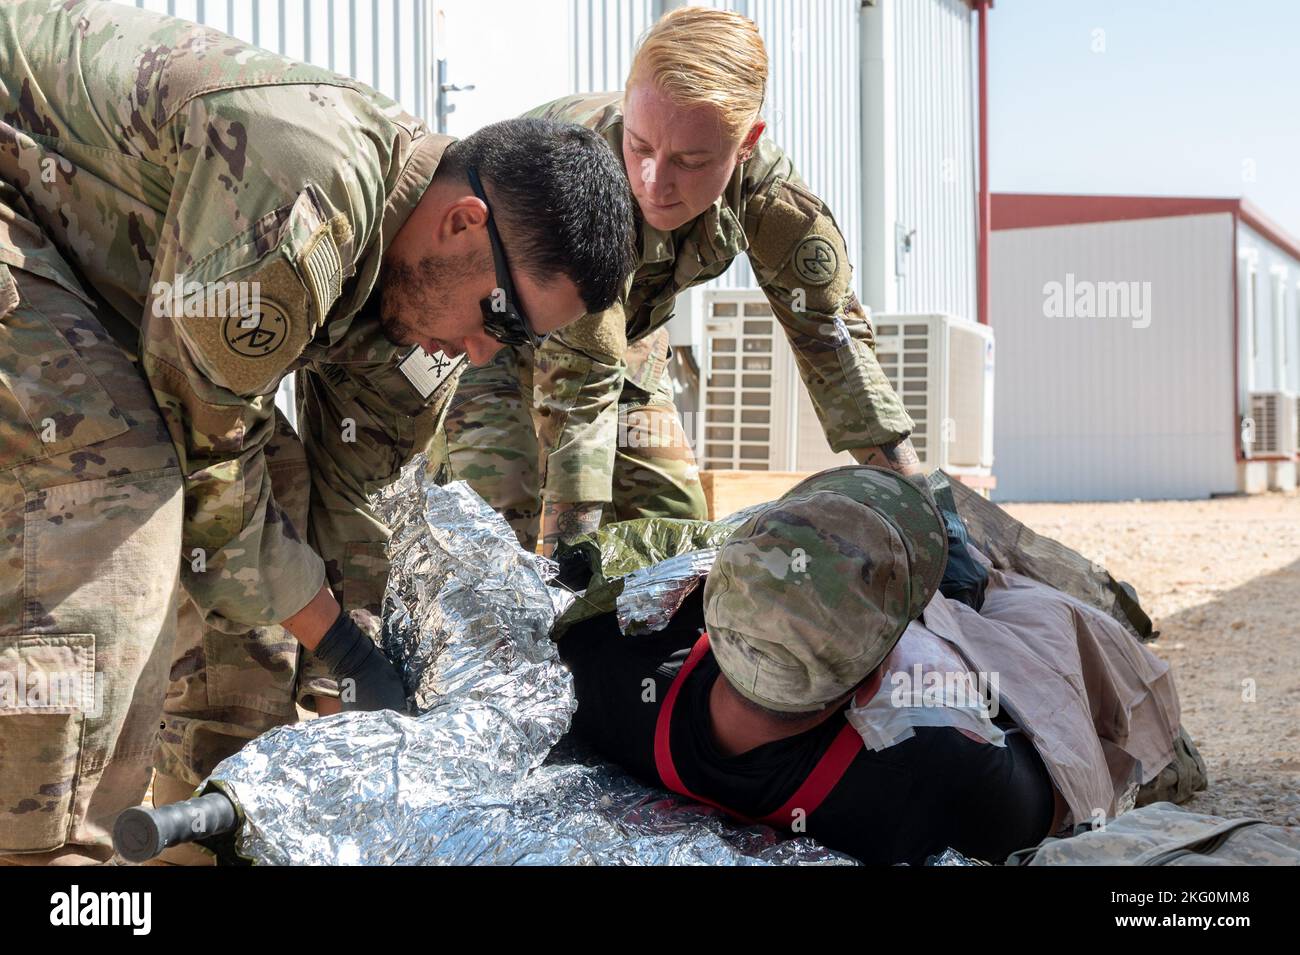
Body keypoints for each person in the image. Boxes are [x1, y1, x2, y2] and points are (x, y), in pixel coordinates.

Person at [0, 0, 635, 863]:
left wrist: (355, 670)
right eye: (506, 320)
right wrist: (334, 641)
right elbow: (211, 460)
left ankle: (215, 831)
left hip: (108, 269)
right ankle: (50, 862)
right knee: (122, 485)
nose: (489, 354)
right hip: (18, 202)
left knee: (282, 505)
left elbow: (357, 505)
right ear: (462, 223)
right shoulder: (304, 205)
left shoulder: (423, 305)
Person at [441, 6, 918, 555]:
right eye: (640, 147)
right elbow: (578, 389)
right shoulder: (585, 178)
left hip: (625, 338)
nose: (655, 182)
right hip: (490, 335)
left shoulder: (771, 201)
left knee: (677, 540)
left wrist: (920, 507)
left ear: (747, 142)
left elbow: (835, 347)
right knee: (502, 536)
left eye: (690, 161)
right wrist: (568, 561)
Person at [556, 467, 1064, 865]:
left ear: (710, 603)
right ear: (880, 679)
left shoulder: (604, 673)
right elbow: (1047, 804)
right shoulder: (952, 778)